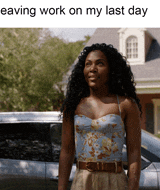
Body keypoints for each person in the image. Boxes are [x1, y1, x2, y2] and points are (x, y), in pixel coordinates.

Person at [58, 43, 141, 190]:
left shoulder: (126, 105)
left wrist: (133, 186)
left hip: (115, 181)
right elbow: (67, 151)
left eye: (100, 63)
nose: (92, 69)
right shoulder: (73, 105)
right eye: (88, 64)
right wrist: (61, 187)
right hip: (83, 181)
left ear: (111, 69)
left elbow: (134, 151)